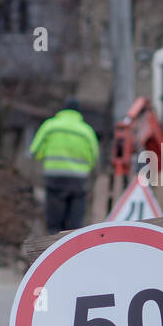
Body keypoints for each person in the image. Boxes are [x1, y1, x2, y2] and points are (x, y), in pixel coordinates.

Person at [30, 98, 99, 233]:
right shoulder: (87, 131)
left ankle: (54, 250)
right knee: (74, 228)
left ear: (63, 110)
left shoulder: (50, 126)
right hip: (78, 184)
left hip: (55, 180)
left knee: (54, 226)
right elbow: (94, 159)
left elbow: (35, 151)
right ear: (79, 113)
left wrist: (46, 155)